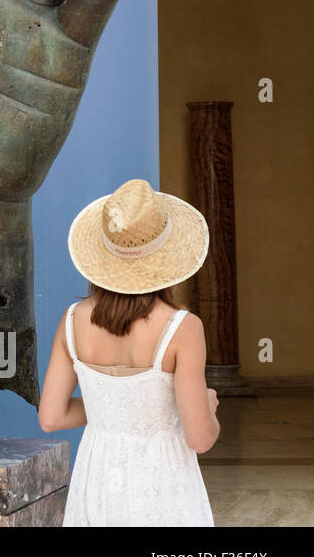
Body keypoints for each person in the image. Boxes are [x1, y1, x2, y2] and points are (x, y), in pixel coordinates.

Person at [38, 178, 217, 526]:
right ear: (167, 259)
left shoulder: (72, 320)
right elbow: (200, 438)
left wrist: (115, 408)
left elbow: (51, 418)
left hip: (99, 477)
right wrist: (208, 408)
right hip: (163, 481)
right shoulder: (182, 328)